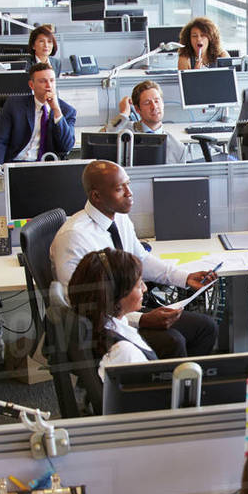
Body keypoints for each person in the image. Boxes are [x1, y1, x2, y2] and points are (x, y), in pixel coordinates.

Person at [50, 160, 219, 359]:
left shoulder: (118, 217)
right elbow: (85, 305)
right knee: (173, 341)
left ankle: (186, 383)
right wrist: (142, 320)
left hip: (124, 308)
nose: (129, 193)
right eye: (120, 189)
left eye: (128, 184)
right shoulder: (74, 237)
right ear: (96, 196)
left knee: (206, 327)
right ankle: (162, 385)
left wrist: (184, 278)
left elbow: (140, 258)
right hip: (101, 327)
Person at [67, 248, 159, 378]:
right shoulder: (124, 353)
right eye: (138, 285)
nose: (145, 288)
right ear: (116, 295)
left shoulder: (98, 323)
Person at [0, 62, 76, 164]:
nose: (49, 85)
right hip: (14, 163)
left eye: (52, 81)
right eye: (43, 81)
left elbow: (66, 147)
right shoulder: (14, 105)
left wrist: (56, 110)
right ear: (31, 85)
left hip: (45, 167)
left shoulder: (67, 111)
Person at [104, 79, 185, 164]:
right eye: (147, 103)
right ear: (137, 109)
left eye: (157, 101)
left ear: (163, 103)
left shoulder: (178, 148)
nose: (154, 107)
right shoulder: (124, 134)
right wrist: (124, 113)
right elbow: (101, 138)